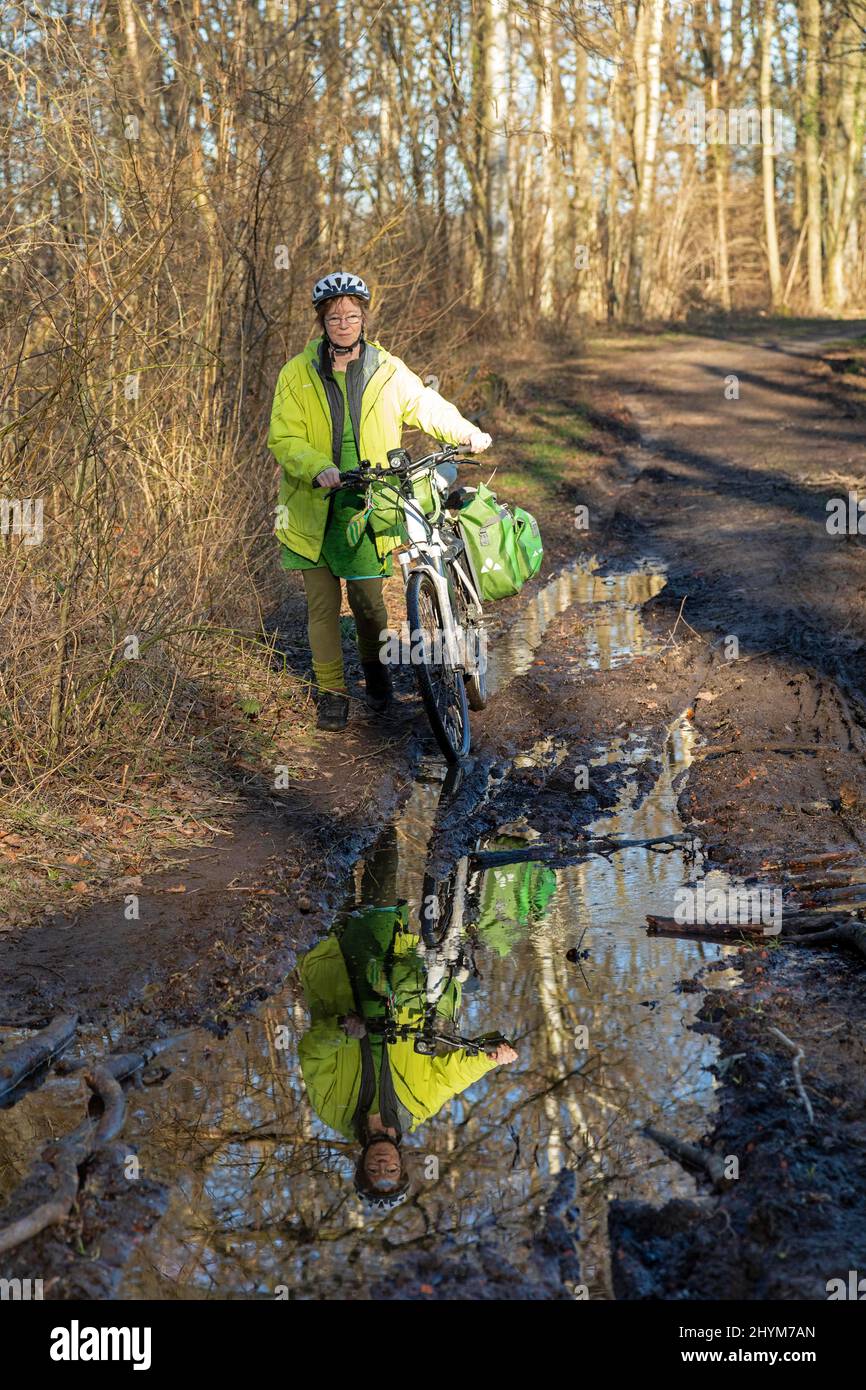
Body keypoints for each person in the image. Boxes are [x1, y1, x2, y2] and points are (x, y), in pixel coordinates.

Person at [267, 271, 492, 732]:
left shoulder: (387, 369)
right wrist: (316, 465)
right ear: (322, 323)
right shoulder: (296, 374)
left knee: (369, 605)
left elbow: (426, 405)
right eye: (335, 318)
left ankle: (376, 673)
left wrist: (466, 431)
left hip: (368, 502)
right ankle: (332, 695)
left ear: (363, 317)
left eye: (352, 315)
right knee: (323, 608)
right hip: (314, 503)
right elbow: (283, 437)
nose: (344, 324)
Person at [296, 831, 517, 1211]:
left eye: (376, 1172)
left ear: (362, 1166)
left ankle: (331, 810)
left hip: (337, 971)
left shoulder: (333, 1111)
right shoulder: (417, 1107)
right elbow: (454, 1076)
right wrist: (491, 1057)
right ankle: (380, 801)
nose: (383, 1166)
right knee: (383, 864)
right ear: (402, 1165)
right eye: (392, 1172)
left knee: (330, 868)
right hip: (392, 974)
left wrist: (340, 1031)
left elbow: (312, 1055)